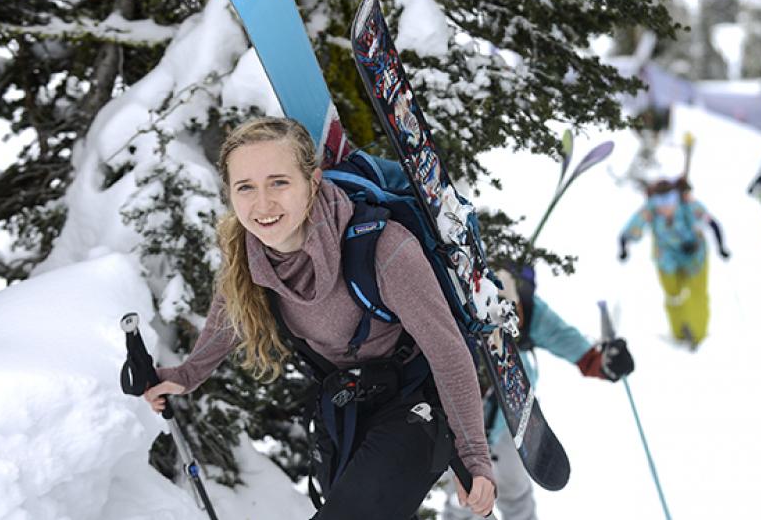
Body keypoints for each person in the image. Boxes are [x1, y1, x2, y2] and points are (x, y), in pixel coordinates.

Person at [140, 117, 496, 519]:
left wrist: (474, 454)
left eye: (279, 182)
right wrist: (188, 374)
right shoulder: (251, 255)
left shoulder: (384, 248)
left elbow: (446, 350)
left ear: (312, 182)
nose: (262, 205)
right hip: (347, 402)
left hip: (421, 400)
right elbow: (229, 314)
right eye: (245, 187)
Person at [442, 267, 634, 520]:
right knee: (467, 500)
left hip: (513, 423)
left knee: (514, 492)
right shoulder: (448, 298)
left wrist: (604, 362)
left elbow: (566, 340)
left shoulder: (527, 307)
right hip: (458, 427)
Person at [619, 178, 729, 349]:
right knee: (673, 294)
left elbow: (712, 223)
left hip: (694, 257)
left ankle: (698, 335)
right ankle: (678, 331)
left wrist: (721, 246)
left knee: (697, 294)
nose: (665, 208)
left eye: (669, 202)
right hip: (666, 258)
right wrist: (624, 247)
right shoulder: (650, 211)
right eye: (660, 204)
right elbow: (631, 229)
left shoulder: (688, 205)